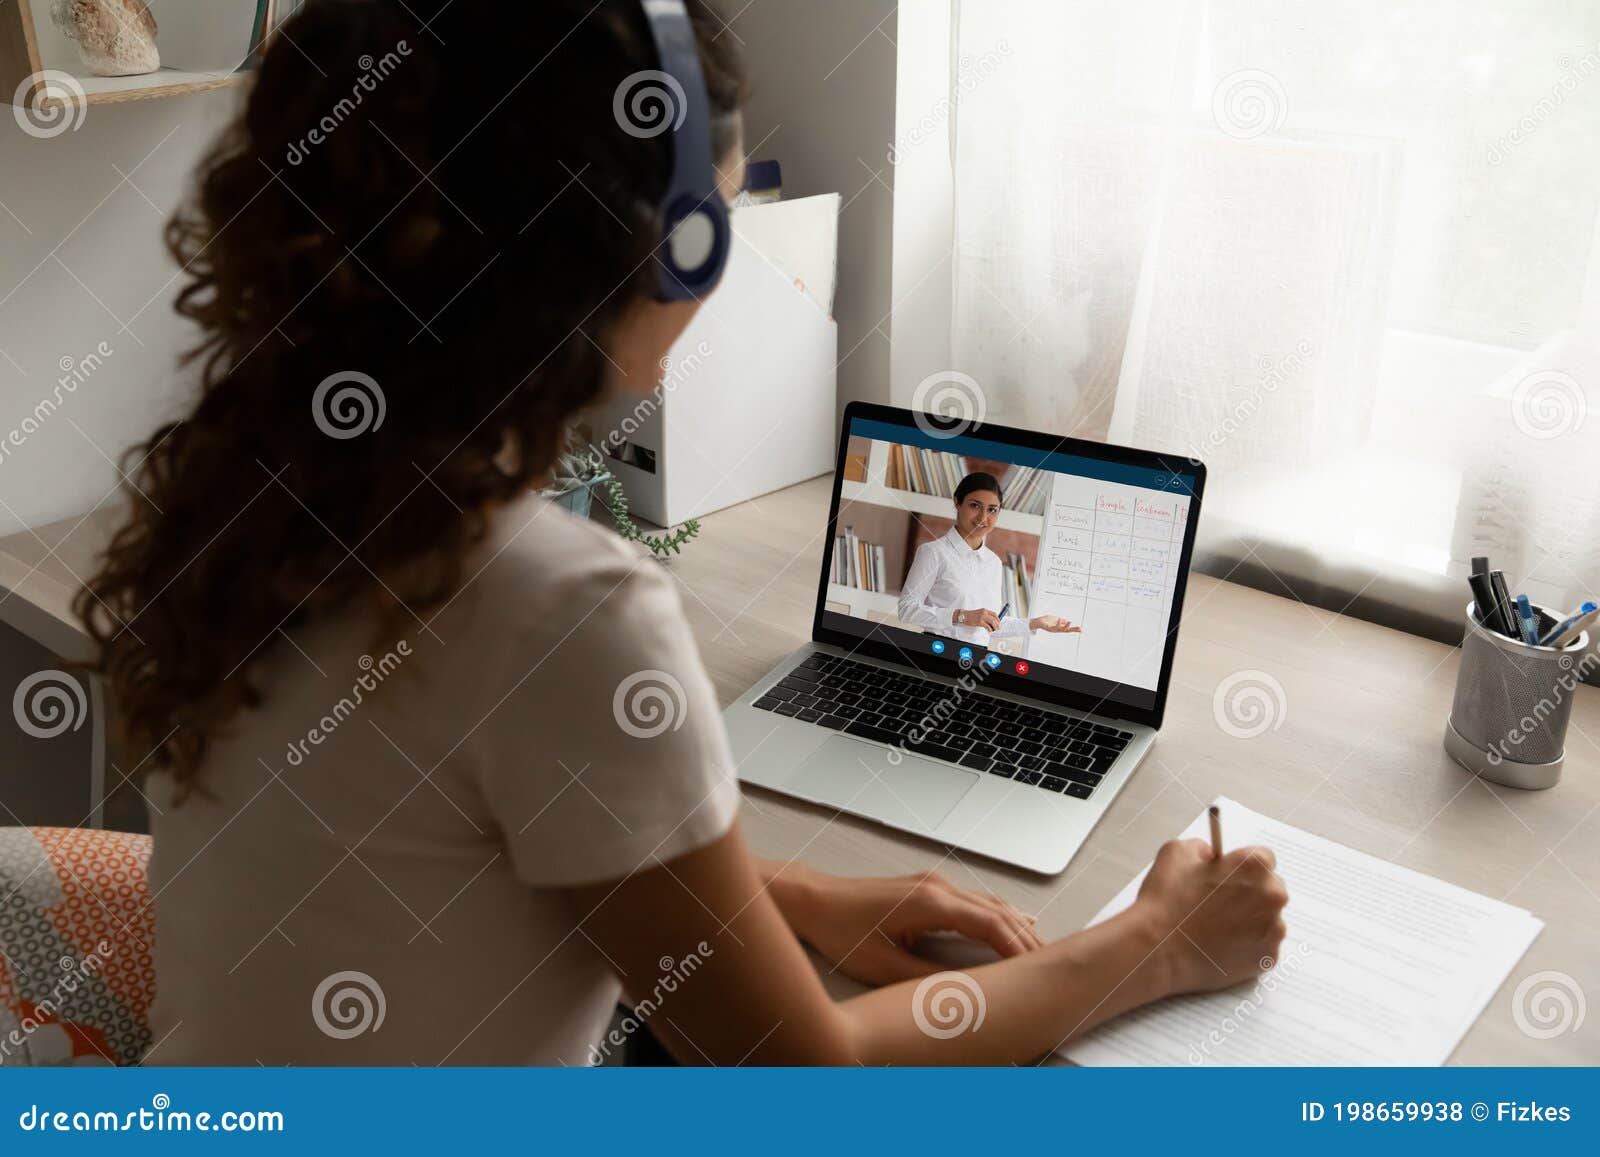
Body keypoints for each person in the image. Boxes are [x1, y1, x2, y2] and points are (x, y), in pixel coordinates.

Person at [76, 0, 1287, 1065]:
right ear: (672, 245)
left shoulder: (255, 481)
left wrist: (793, 894)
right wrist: (1160, 939)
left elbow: (436, 842)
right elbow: (810, 1079)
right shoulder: (560, 606)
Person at [898, 471, 1081, 647]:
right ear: (957, 502)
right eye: (975, 505)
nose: (983, 517)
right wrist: (962, 616)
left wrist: (1036, 623)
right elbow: (906, 610)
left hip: (977, 656)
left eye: (992, 510)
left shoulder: (993, 562)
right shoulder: (933, 552)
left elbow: (992, 626)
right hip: (937, 649)